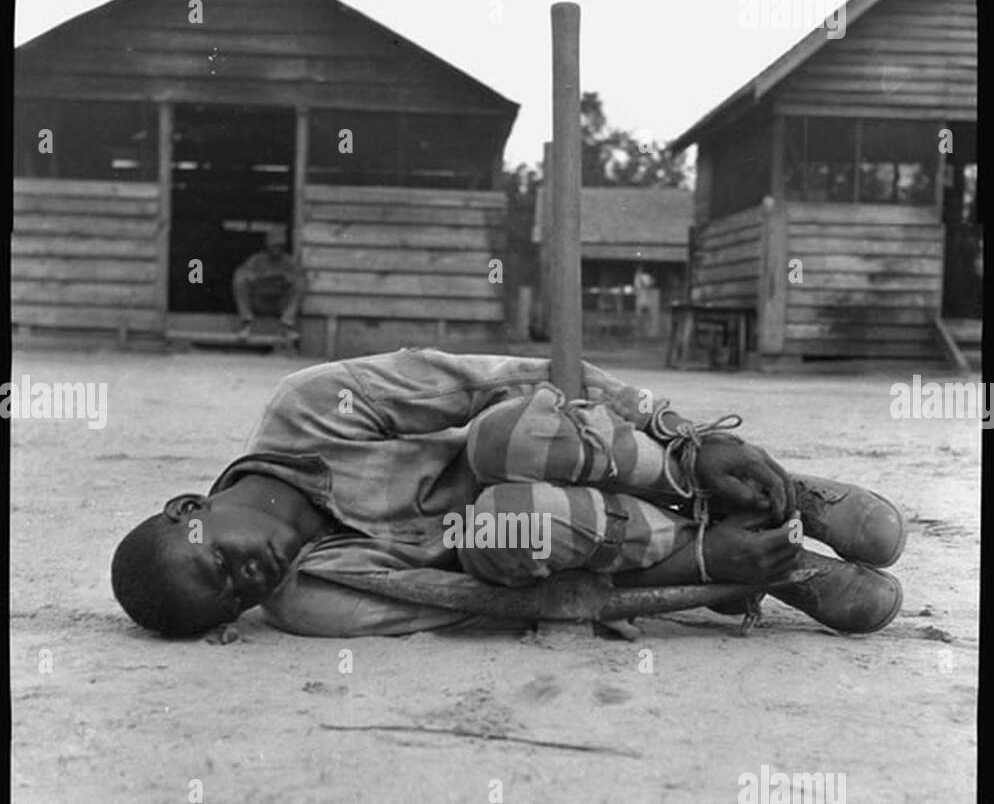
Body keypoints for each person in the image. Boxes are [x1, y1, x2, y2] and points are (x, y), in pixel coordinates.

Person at [110, 348, 906, 639]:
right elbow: (497, 607)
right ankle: (771, 561)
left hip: (607, 455)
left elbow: (512, 378)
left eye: (218, 566)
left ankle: (760, 488)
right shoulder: (308, 598)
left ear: (192, 508)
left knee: (500, 437)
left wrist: (691, 435)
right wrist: (710, 574)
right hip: (584, 533)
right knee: (500, 528)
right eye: (228, 609)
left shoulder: (309, 406)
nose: (243, 588)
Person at [231, 227, 303, 348]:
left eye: (280, 246)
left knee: (301, 282)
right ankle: (246, 322)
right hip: (259, 302)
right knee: (239, 281)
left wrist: (286, 278)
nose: (277, 249)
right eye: (274, 246)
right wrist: (259, 277)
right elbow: (242, 274)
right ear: (267, 246)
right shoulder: (256, 260)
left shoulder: (289, 262)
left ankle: (287, 324)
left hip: (280, 304)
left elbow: (297, 277)